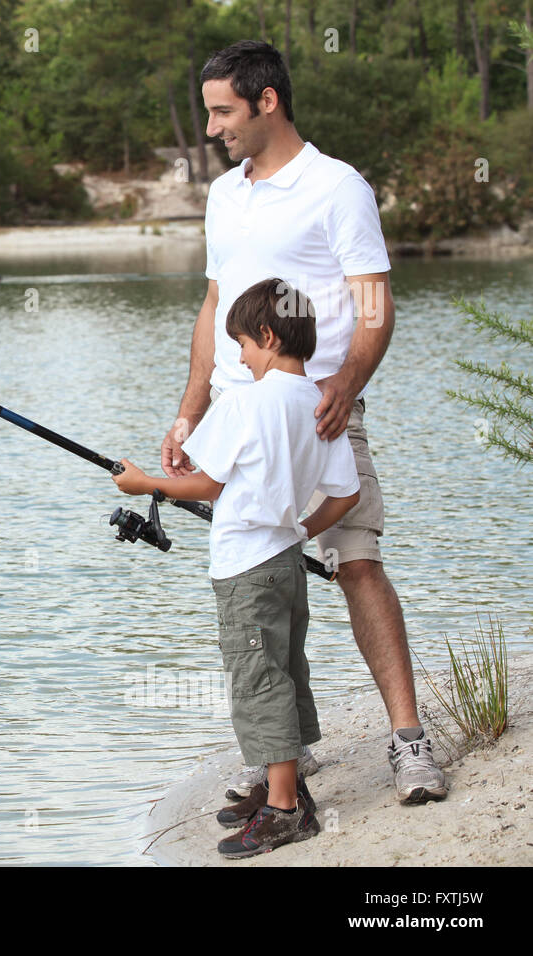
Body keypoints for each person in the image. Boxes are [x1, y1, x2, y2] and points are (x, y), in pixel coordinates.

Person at [160, 40, 447, 804]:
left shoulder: (336, 186)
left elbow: (375, 302)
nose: (214, 126)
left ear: (267, 101)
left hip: (319, 413)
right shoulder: (225, 196)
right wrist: (191, 412)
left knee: (356, 562)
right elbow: (216, 309)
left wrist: (348, 385)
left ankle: (409, 741)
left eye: (223, 110)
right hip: (236, 416)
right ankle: (286, 752)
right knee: (257, 576)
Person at [114, 277, 361, 857]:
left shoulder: (245, 401)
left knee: (259, 680)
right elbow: (344, 495)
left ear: (268, 337)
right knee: (286, 667)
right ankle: (287, 781)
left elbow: (206, 483)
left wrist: (144, 482)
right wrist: (301, 530)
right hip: (286, 564)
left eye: (244, 347)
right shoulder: (321, 404)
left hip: (246, 569)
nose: (242, 359)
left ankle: (284, 810)